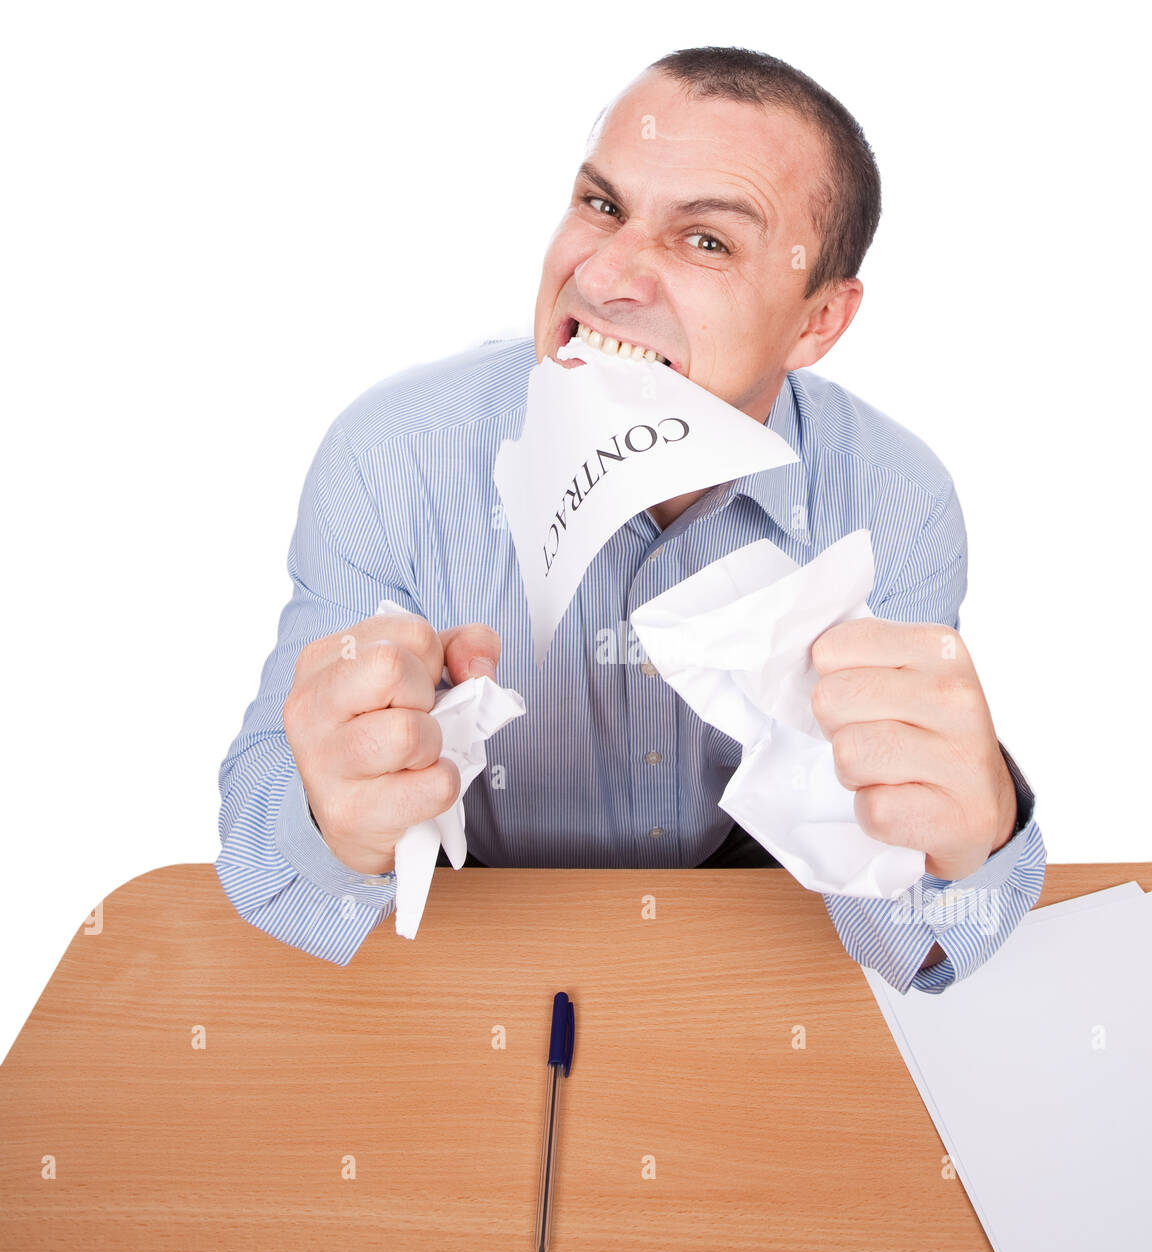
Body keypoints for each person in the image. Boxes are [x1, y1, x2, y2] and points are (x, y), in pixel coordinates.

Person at [216, 46, 1044, 993]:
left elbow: (914, 955)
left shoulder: (893, 502)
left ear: (817, 322)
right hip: (462, 931)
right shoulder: (390, 454)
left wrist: (969, 849)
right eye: (603, 207)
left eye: (707, 242)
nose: (607, 276)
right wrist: (334, 820)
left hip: (742, 939)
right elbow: (271, 888)